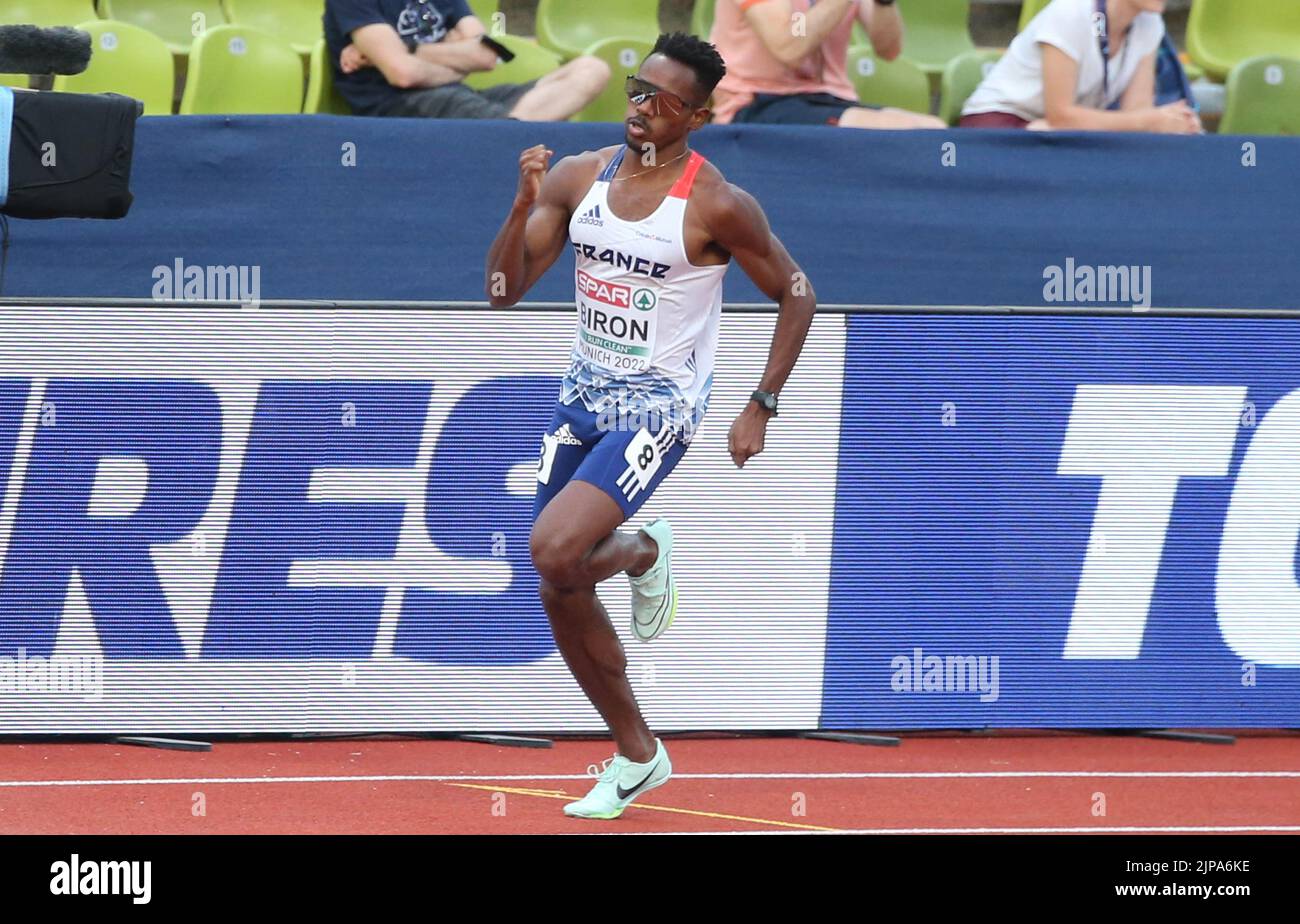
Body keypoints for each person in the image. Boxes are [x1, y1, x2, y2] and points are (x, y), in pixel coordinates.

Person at [485, 32, 817, 819]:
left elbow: (797, 293)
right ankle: (638, 754)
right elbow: (503, 291)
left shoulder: (716, 204)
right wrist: (522, 205)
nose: (641, 108)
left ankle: (640, 546)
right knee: (557, 584)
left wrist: (760, 403)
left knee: (553, 548)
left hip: (658, 408)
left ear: (696, 116)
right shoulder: (578, 175)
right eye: (637, 90)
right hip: (582, 400)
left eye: (662, 101)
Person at [324, 0, 609, 120]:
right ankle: (512, 135)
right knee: (502, 127)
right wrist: (455, 55)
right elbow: (403, 74)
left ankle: (512, 133)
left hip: (460, 95)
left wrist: (407, 49)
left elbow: (486, 56)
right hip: (399, 105)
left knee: (591, 69)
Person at [960, 0, 1200, 132]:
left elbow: (1136, 114)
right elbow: (1061, 116)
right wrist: (1148, 121)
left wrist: (1170, 121)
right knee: (1047, 133)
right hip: (996, 124)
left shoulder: (1150, 24)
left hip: (1064, 130)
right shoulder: (1070, 13)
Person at [708, 0, 944, 129]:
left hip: (828, 100)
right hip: (757, 103)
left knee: (932, 130)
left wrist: (884, 3)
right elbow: (789, 48)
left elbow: (889, 50)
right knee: (897, 131)